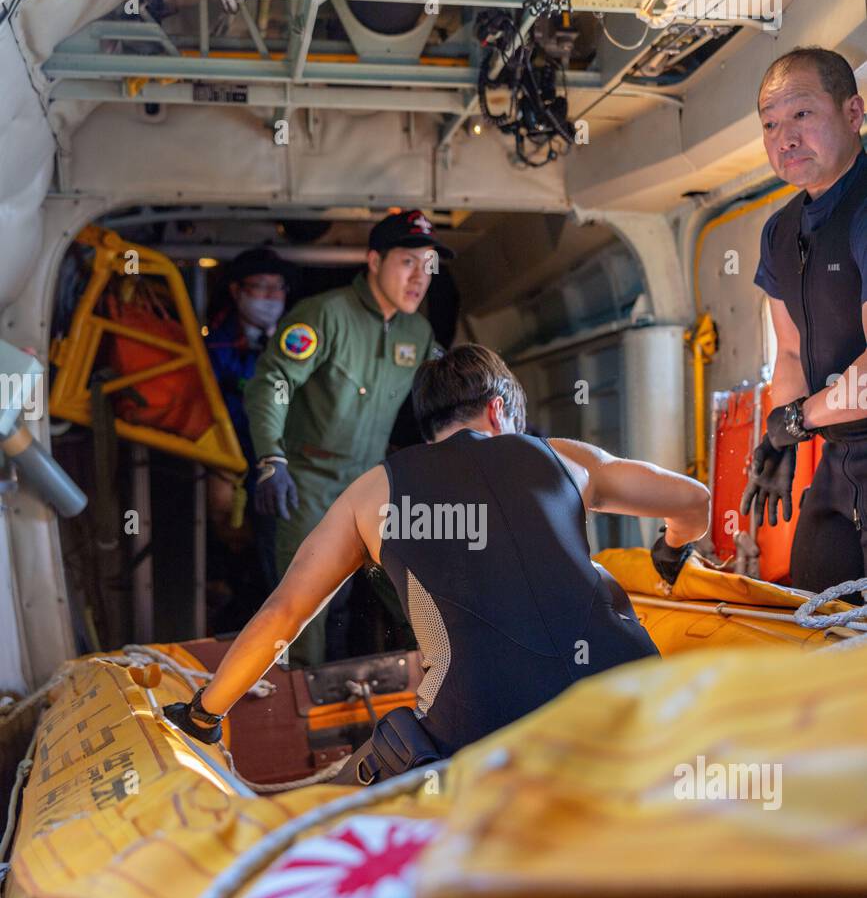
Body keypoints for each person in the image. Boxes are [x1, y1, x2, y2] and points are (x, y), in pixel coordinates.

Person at [165, 346, 710, 784]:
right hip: (637, 704)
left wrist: (204, 715)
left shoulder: (371, 494)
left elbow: (283, 615)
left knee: (383, 759)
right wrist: (672, 548)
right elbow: (695, 502)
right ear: (500, 410)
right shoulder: (567, 457)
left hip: (484, 739)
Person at [242, 210, 451, 667]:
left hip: (372, 483)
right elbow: (271, 383)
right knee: (305, 607)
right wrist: (271, 459)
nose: (420, 277)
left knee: (416, 589)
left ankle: (446, 695)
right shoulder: (323, 315)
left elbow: (448, 396)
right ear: (374, 261)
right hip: (309, 480)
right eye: (408, 263)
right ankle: (303, 721)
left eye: (429, 265)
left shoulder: (418, 332)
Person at [741, 46, 867, 593]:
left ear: (853, 113)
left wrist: (798, 421)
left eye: (802, 114)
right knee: (811, 603)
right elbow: (788, 351)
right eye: (770, 123)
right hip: (840, 454)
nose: (784, 136)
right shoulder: (779, 231)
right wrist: (782, 436)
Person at [205, 247, 295, 600]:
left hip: (283, 459)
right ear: (236, 291)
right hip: (228, 454)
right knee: (231, 532)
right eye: (260, 287)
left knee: (279, 540)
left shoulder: (299, 338)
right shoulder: (215, 343)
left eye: (278, 288)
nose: (271, 297)